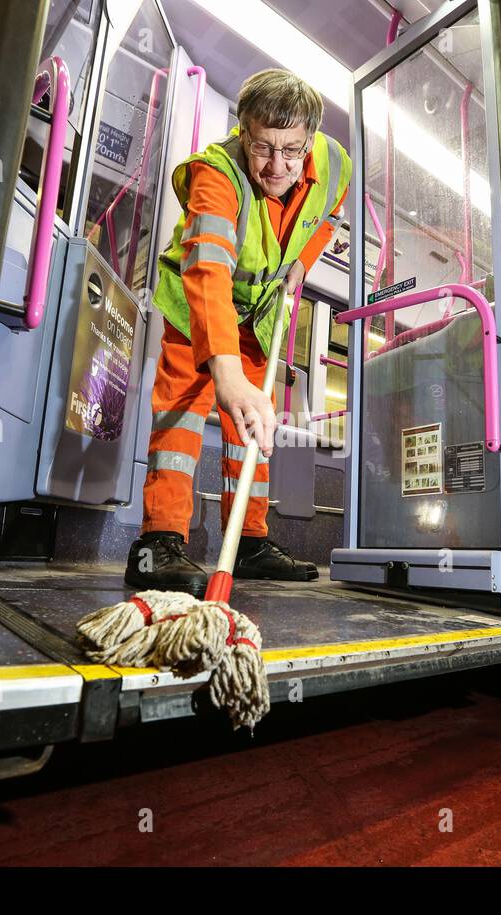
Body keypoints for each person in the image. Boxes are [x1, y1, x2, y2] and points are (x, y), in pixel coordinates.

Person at [125, 68, 351, 594]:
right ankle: (159, 542)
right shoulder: (216, 174)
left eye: (292, 151)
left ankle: (248, 542)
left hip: (260, 314)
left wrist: (302, 264)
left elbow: (329, 213)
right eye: (263, 148)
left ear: (310, 139)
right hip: (198, 309)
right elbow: (208, 267)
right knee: (181, 422)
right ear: (243, 132)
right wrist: (223, 371)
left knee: (252, 428)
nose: (277, 166)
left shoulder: (335, 161)